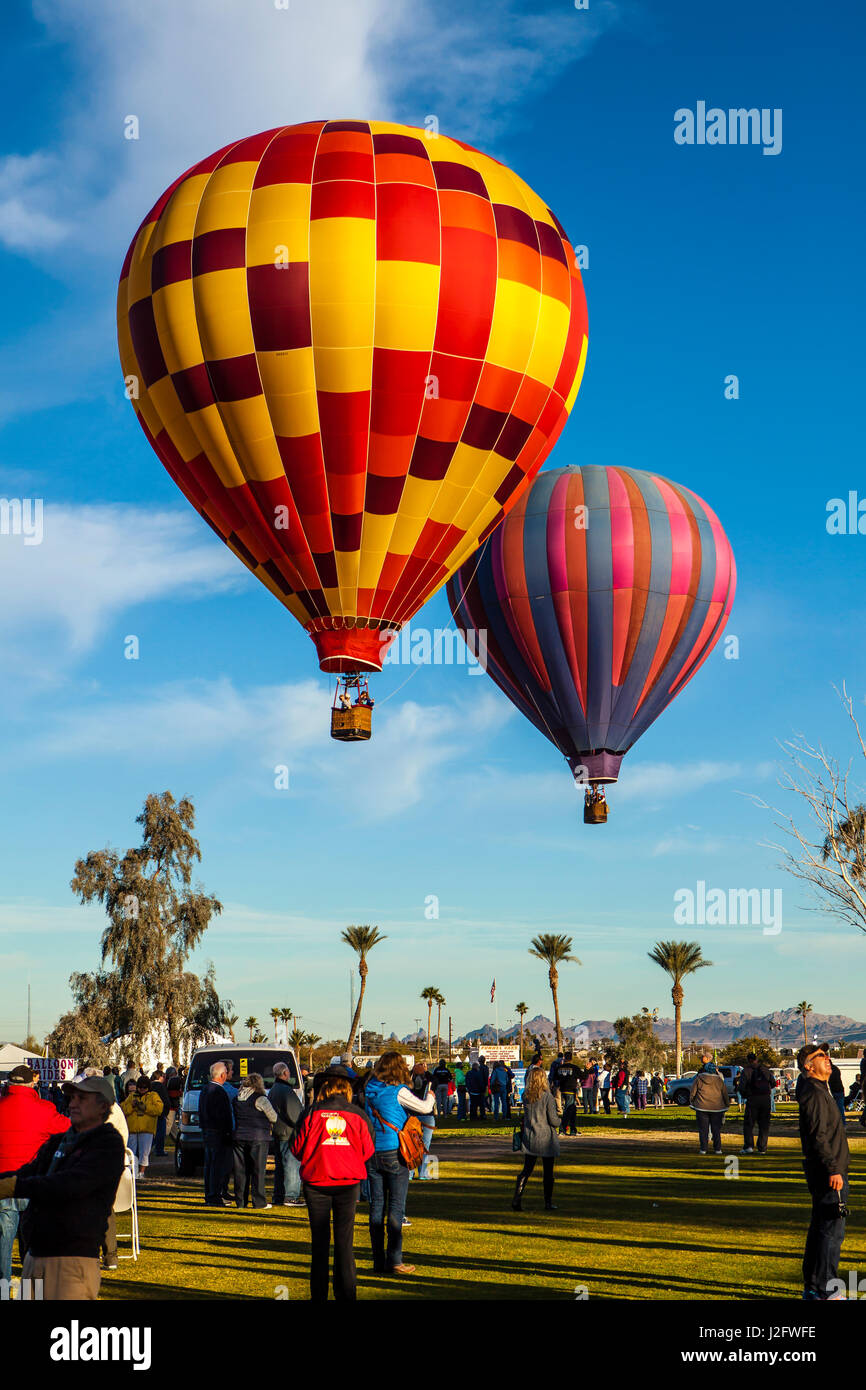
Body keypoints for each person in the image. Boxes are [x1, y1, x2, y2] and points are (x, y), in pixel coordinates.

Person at [0, 1075, 124, 1300]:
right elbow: (31, 1170)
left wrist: (16, 1186)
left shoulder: (107, 1143)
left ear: (103, 1106)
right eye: (71, 1097)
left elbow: (72, 1184)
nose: (72, 1103)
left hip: (71, 1260)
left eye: (82, 1098)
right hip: (35, 1256)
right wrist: (6, 1181)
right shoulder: (61, 1139)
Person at [290, 1065, 374, 1300]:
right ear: (347, 1089)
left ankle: (319, 1294)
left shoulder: (311, 1113)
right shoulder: (357, 1115)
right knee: (344, 1243)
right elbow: (368, 1150)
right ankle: (346, 1294)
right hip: (347, 1183)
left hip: (317, 1183)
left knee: (319, 1243)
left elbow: (296, 1148)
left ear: (323, 1088)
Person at [364, 1052, 435, 1275]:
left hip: (372, 1151)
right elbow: (424, 1108)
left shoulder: (368, 1089)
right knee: (395, 1207)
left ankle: (378, 1260)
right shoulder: (398, 1091)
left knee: (376, 1206)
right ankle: (394, 1260)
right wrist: (431, 1096)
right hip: (395, 1151)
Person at [0, 1064, 71, 1283]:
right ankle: (32, 1290)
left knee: (3, 1243)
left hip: (3, 1182)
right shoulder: (44, 1109)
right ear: (33, 1083)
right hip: (32, 1182)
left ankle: (3, 1290)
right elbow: (68, 1128)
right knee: (32, 1246)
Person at [797, 1042, 849, 1300]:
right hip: (828, 1172)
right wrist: (833, 1168)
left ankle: (814, 1287)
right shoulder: (815, 1093)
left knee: (821, 1226)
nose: (826, 1058)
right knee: (831, 1230)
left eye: (826, 1054)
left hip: (827, 1170)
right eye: (820, 1056)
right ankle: (828, 1289)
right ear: (808, 1066)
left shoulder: (818, 1089)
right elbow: (820, 1136)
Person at [512, 1065, 560, 1212]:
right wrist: (560, 1121)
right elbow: (553, 1120)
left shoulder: (526, 1096)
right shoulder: (547, 1097)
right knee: (548, 1172)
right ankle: (548, 1202)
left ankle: (517, 1199)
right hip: (546, 1137)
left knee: (527, 1169)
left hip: (530, 1135)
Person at [232, 1073, 277, 1210]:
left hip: (239, 1137)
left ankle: (240, 1202)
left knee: (240, 1171)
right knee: (258, 1171)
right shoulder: (261, 1099)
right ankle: (259, 1202)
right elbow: (273, 1117)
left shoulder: (236, 1098)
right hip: (258, 1138)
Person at [199, 1061, 233, 1207]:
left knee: (209, 1165)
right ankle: (214, 1195)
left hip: (207, 1131)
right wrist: (227, 1133)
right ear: (222, 1075)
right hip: (218, 1133)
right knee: (217, 1166)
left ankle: (210, 1194)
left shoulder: (205, 1090)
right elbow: (224, 1116)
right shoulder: (219, 1092)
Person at [269, 1062, 304, 1207]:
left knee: (280, 1166)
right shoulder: (285, 1091)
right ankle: (290, 1196)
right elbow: (295, 1114)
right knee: (291, 1165)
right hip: (288, 1133)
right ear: (284, 1074)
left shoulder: (274, 1089)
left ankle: (278, 1195)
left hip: (278, 1131)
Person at [121, 1075, 163, 1180]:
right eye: (140, 1087)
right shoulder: (132, 1096)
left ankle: (141, 1172)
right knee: (131, 1152)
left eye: (144, 1087)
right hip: (133, 1129)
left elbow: (158, 1110)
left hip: (147, 1129)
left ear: (148, 1087)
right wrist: (132, 1105)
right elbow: (123, 1110)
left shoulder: (154, 1096)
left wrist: (144, 1107)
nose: (142, 1089)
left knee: (144, 1152)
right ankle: (132, 1172)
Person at [689, 1053, 730, 1154]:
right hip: (717, 1108)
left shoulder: (699, 1078)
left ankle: (703, 1149)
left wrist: (692, 1101)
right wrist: (727, 1104)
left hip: (701, 1107)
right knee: (716, 1129)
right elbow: (724, 1093)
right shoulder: (719, 1080)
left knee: (703, 1130)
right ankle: (718, 1149)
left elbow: (693, 1092)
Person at [738, 1052, 773, 1154]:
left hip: (752, 1099)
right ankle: (762, 1148)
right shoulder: (765, 1070)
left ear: (748, 1060)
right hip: (765, 1099)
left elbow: (742, 1087)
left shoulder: (746, 1071)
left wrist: (745, 1095)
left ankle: (749, 1146)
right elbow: (773, 1083)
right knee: (764, 1125)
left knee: (749, 1124)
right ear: (756, 1059)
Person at [150, 1066, 170, 1157]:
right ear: (160, 1077)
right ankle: (159, 1150)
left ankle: (149, 1148)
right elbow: (165, 1100)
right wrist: (166, 1111)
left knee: (151, 1132)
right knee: (160, 1132)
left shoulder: (150, 1086)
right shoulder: (161, 1086)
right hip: (161, 1112)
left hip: (150, 1112)